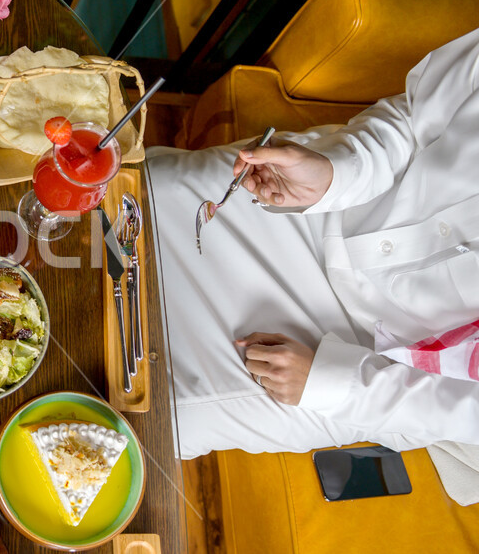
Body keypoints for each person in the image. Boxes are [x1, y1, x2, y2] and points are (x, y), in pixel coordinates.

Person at [147, 27, 479, 459]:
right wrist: (333, 174)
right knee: (148, 191)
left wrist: (332, 383)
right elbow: (413, 121)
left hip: (380, 362)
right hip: (340, 207)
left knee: (162, 413)